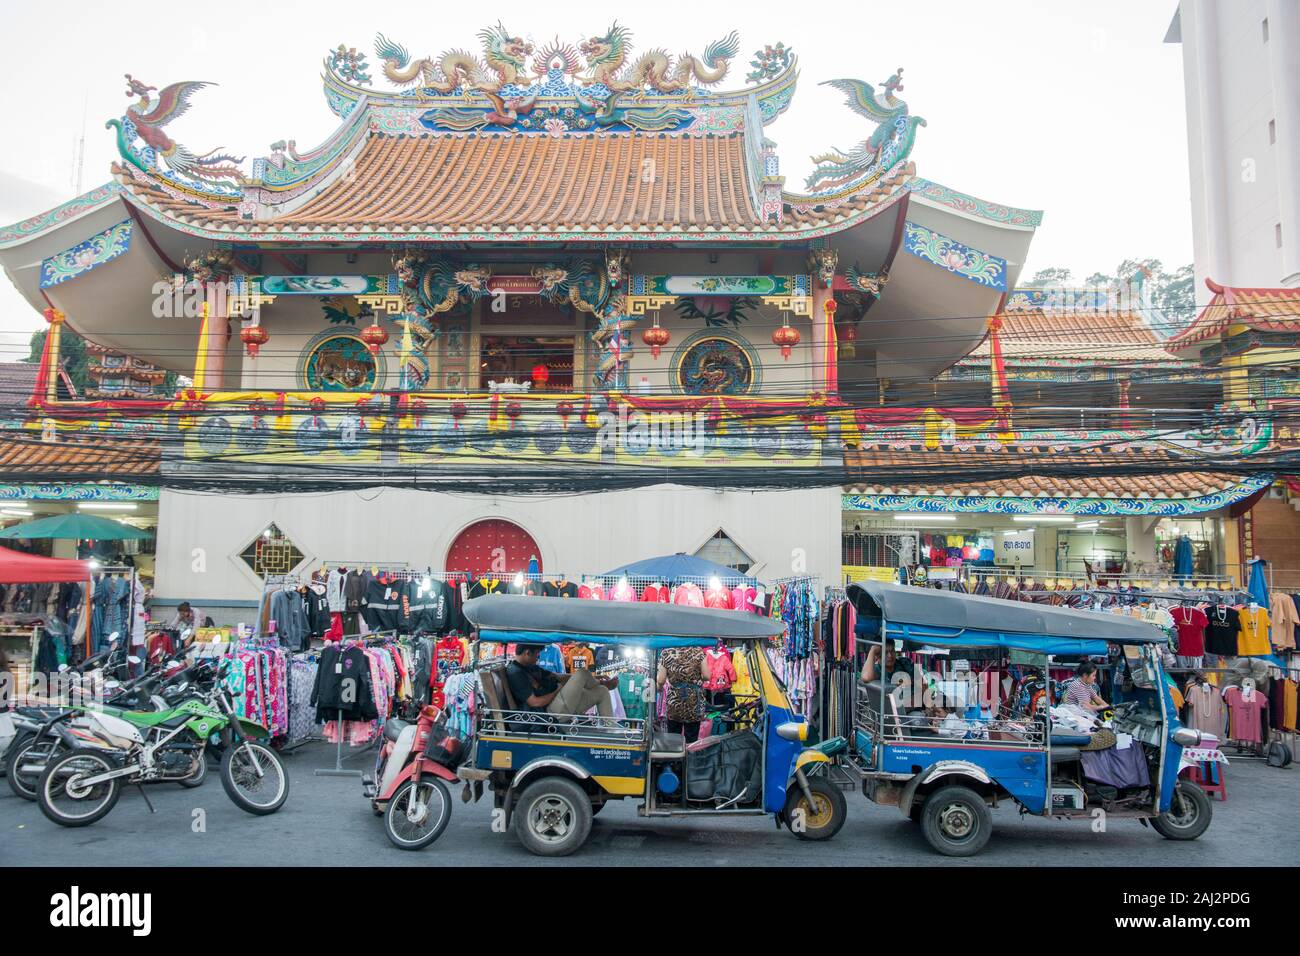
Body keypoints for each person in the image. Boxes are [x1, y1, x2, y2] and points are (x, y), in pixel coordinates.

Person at [505, 644, 618, 724]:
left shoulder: (530, 667)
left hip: (558, 704)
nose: (538, 659)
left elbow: (557, 676)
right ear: (527, 653)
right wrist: (557, 690)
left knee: (602, 691)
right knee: (581, 672)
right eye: (537, 655)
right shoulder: (515, 673)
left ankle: (610, 731)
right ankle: (604, 683)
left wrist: (593, 677)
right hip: (548, 714)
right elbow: (535, 703)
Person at [657, 645, 710, 744]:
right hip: (694, 701)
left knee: (673, 738)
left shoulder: (667, 652)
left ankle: (674, 758)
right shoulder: (698, 651)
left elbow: (660, 680)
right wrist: (697, 679)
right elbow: (707, 676)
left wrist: (659, 687)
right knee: (691, 739)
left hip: (674, 700)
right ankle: (690, 758)